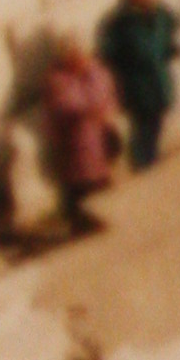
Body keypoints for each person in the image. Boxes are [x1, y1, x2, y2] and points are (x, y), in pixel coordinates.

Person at [37, 33, 125, 232]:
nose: (80, 60)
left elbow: (107, 91)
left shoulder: (96, 70)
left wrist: (104, 109)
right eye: (74, 56)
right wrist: (95, 106)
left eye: (82, 54)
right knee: (79, 183)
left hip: (102, 134)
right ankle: (78, 218)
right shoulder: (56, 79)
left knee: (102, 178)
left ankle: (96, 218)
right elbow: (69, 105)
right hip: (75, 140)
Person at [96, 0, 179, 172]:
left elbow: (170, 36)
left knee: (157, 121)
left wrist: (168, 52)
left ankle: (152, 160)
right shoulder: (120, 21)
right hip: (137, 85)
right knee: (142, 127)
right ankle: (143, 165)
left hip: (159, 79)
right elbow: (108, 54)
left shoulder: (162, 13)